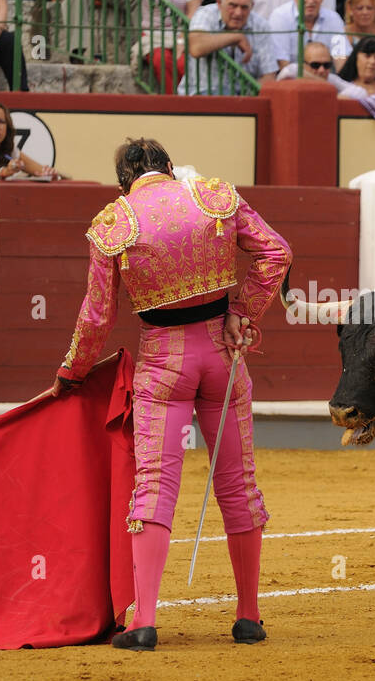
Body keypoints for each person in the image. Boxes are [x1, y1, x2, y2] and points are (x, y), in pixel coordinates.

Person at [52, 136, 293, 652]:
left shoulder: (114, 223)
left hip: (163, 363)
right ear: (167, 166)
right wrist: (243, 314)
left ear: (125, 181)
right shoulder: (213, 195)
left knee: (156, 483)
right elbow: (277, 252)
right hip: (223, 357)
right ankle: (248, 617)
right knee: (238, 485)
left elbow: (96, 317)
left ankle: (145, 621)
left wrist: (73, 372)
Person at [181, 0, 279, 94]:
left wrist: (249, 99)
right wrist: (236, 37)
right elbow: (196, 48)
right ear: (219, 2)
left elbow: (269, 75)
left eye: (244, 7)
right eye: (232, 5)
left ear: (252, 6)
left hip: (244, 98)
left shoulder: (261, 25)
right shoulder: (206, 14)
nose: (238, 13)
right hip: (203, 93)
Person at [270, 0, 352, 68]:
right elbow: (283, 65)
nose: (311, 0)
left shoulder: (333, 19)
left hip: (326, 79)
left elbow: (341, 58)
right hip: (291, 80)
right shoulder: (280, 17)